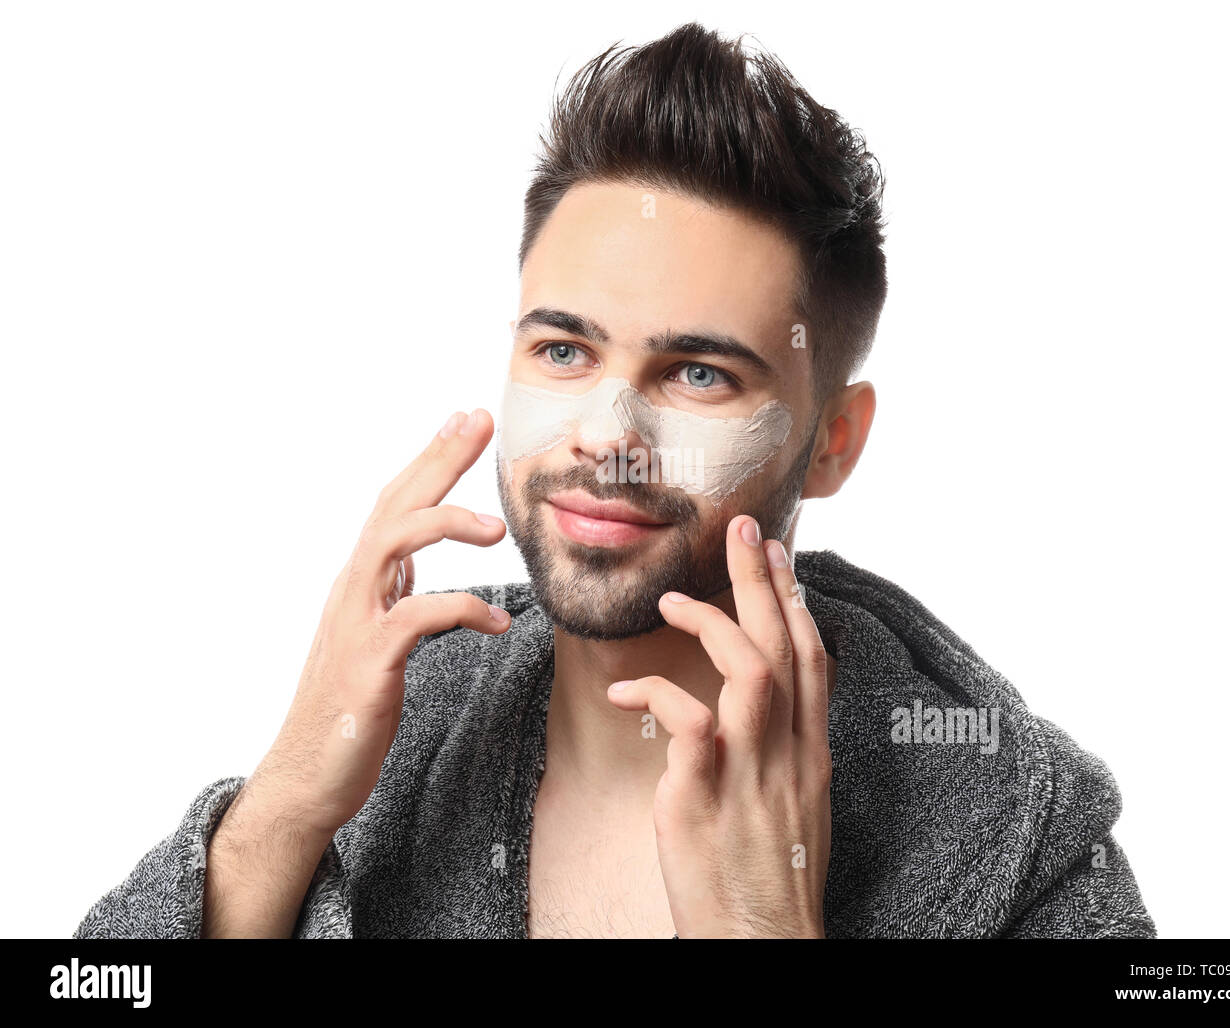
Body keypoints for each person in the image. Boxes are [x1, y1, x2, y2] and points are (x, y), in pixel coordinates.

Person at [74, 22, 1155, 940]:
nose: (607, 437)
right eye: (563, 351)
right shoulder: (404, 712)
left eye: (696, 372)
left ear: (833, 440)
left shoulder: (1010, 824)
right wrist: (287, 805)